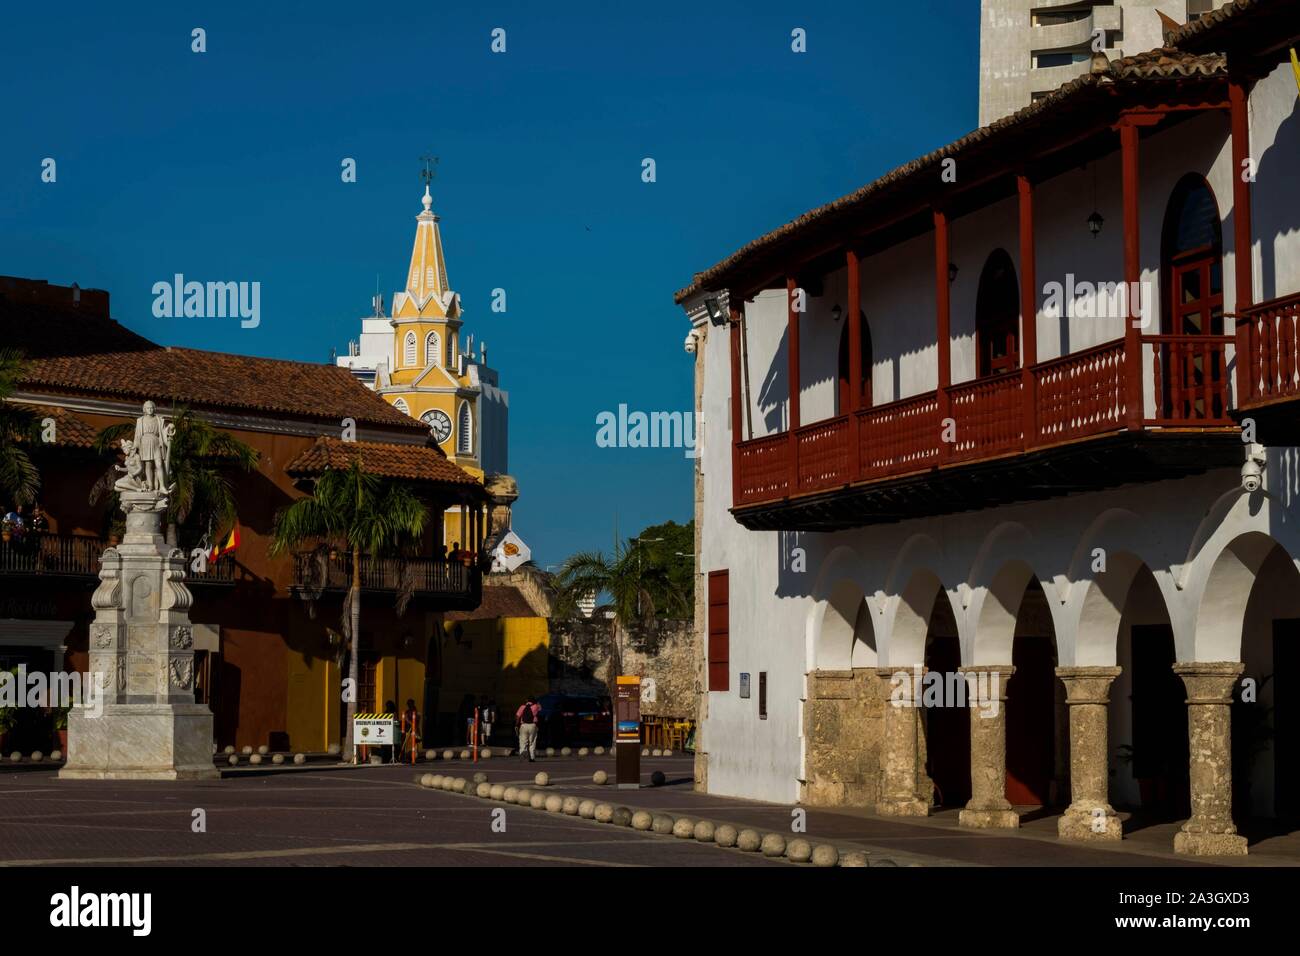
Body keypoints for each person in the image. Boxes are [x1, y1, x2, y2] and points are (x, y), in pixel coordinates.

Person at [516, 696, 540, 762]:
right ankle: (532, 757)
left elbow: (518, 716)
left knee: (523, 741)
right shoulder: (536, 706)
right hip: (533, 725)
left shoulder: (522, 707)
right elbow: (540, 708)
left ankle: (523, 753)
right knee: (532, 742)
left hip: (523, 725)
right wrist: (537, 703)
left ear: (527, 701)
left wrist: (517, 725)